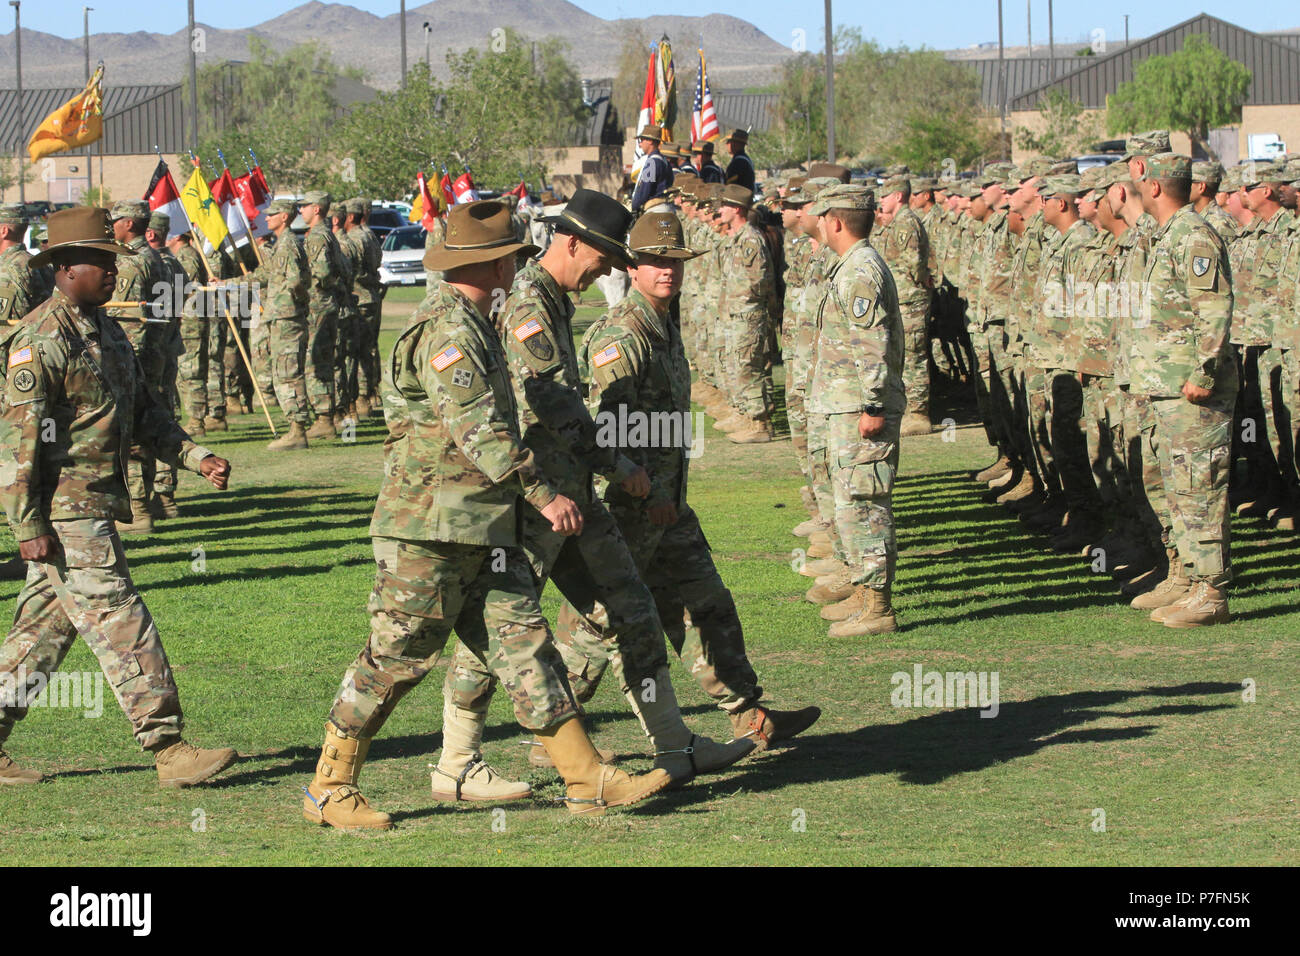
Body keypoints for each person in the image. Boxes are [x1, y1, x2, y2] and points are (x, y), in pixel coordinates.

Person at [301, 200, 670, 829]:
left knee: (524, 643)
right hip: (432, 526)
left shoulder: (473, 321)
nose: (515, 268)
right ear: (494, 263)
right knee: (395, 657)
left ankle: (588, 778)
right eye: (510, 258)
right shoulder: (449, 330)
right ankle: (329, 786)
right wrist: (543, 491)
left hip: (479, 522)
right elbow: (480, 430)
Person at [434, 190, 753, 797]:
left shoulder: (553, 298)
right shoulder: (527, 298)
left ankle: (674, 743)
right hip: (538, 501)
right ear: (572, 242)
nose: (609, 268)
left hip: (575, 494)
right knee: (498, 629)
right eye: (604, 255)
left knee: (628, 606)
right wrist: (616, 460)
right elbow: (548, 399)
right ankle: (456, 761)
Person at [553, 209, 822, 748]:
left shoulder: (666, 325)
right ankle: (554, 730)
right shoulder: (621, 334)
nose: (667, 272)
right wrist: (647, 491)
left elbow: (668, 422)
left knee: (707, 602)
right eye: (655, 262)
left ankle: (748, 713)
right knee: (598, 621)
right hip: (630, 506)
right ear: (632, 268)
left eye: (674, 261)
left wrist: (669, 495)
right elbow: (609, 429)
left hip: (668, 503)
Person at [0, 207, 235, 786]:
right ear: (64, 267)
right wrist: (26, 525)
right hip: (65, 510)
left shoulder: (107, 331)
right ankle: (169, 747)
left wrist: (193, 455)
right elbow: (18, 446)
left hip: (97, 503)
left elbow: (145, 414)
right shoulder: (39, 341)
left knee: (43, 633)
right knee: (118, 615)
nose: (112, 271)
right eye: (101, 262)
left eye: (112, 260)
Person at [1126, 153, 1236, 627]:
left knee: (1201, 488)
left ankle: (1211, 593)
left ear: (1154, 188)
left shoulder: (1193, 235)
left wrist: (1204, 374)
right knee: (1180, 489)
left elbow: (1214, 308)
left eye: (1140, 182)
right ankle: (1191, 580)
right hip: (1168, 388)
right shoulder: (1169, 234)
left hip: (1194, 391)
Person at [806, 184, 906, 635]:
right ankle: (865, 595)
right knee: (851, 503)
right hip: (844, 406)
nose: (820, 223)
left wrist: (872, 405)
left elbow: (873, 346)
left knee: (866, 504)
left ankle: (879, 607)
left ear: (836, 222)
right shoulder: (852, 267)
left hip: (859, 410)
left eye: (823, 216)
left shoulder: (859, 271)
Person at [105, 200, 170, 535]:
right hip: (154, 352)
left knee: (128, 431)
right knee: (143, 426)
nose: (112, 227)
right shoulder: (156, 257)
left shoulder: (131, 261)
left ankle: (138, 510)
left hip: (134, 352)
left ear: (128, 223)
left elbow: (121, 312)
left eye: (115, 221)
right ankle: (150, 501)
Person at [228, 198, 312, 449]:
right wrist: (229, 283)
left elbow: (296, 281)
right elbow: (266, 275)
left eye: (272, 214)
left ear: (284, 217)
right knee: (282, 369)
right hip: (280, 316)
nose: (266, 219)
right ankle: (294, 428)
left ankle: (297, 431)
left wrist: (292, 303)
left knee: (288, 371)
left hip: (286, 317)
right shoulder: (281, 244)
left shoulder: (287, 245)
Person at [714, 184, 778, 442]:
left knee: (749, 367)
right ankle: (746, 415)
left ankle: (760, 424)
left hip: (748, 314)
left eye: (725, 205)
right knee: (737, 366)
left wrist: (739, 300)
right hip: (736, 313)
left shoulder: (751, 239)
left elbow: (759, 279)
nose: (720, 210)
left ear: (737, 209)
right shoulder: (738, 238)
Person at [873, 175, 933, 436]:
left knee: (913, 356)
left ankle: (918, 413)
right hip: (900, 300)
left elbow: (915, 265)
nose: (881, 200)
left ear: (898, 195)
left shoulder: (906, 222)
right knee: (902, 355)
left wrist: (917, 286)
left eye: (885, 195)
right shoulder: (896, 223)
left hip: (910, 300)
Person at [300, 191, 345, 440]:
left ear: (316, 209)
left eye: (305, 206)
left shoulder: (317, 236)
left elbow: (323, 272)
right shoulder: (329, 234)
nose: (301, 211)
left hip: (318, 304)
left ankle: (324, 418)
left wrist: (308, 285)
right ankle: (328, 415)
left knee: (316, 362)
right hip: (328, 303)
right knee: (326, 360)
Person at [348, 198, 385, 419]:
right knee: (370, 349)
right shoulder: (370, 235)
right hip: (371, 295)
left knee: (359, 351)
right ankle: (371, 393)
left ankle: (362, 397)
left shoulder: (355, 237)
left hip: (359, 297)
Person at [629, 125, 673, 216]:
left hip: (655, 210)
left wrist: (634, 207)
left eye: (642, 140)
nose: (640, 145)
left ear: (650, 141)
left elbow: (645, 190)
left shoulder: (652, 162)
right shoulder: (664, 160)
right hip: (667, 207)